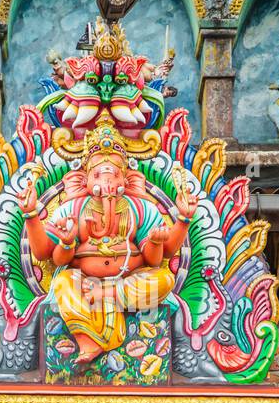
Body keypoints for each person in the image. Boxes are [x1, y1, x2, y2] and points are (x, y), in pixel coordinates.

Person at [20, 121, 195, 363]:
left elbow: (156, 260)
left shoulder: (140, 209)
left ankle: (107, 293)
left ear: (128, 179)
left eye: (113, 174)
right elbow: (44, 254)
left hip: (127, 280)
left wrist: (178, 223)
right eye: (98, 174)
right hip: (82, 281)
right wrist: (37, 220)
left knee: (165, 279)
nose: (107, 181)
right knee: (62, 282)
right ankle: (87, 341)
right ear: (82, 180)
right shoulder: (73, 208)